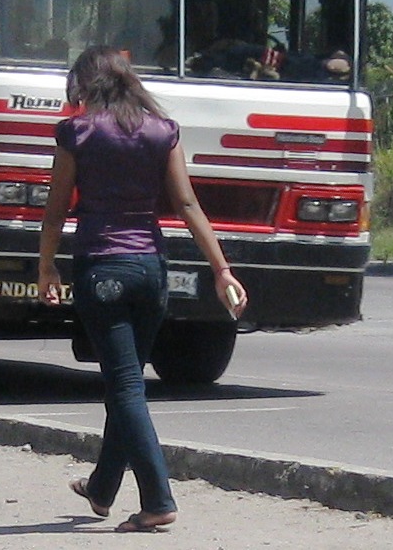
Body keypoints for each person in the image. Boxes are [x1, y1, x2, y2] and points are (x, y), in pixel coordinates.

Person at [37, 45, 248, 533]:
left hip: (101, 269)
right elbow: (188, 205)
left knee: (126, 387)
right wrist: (221, 270)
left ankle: (157, 499)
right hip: (151, 270)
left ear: (86, 84)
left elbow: (55, 209)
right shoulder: (161, 131)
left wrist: (47, 266)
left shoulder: (77, 133)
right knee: (126, 382)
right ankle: (102, 488)